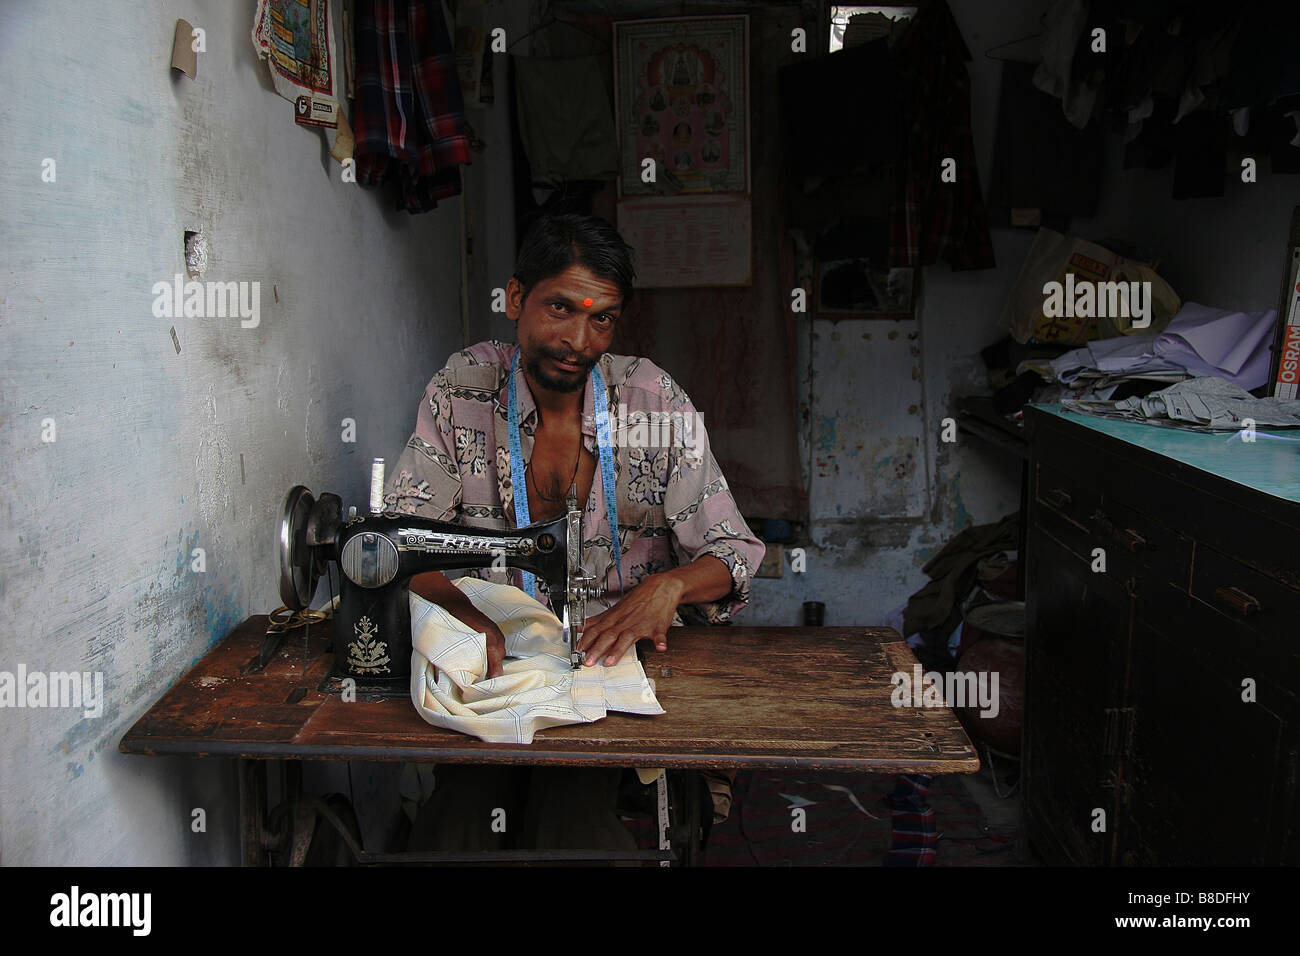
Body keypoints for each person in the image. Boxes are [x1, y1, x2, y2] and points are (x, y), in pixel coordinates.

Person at [384, 213, 764, 853]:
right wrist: (459, 612)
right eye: (560, 308)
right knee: (458, 824)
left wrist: (666, 589)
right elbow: (400, 539)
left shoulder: (651, 401)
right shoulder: (464, 390)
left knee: (571, 812)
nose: (578, 339)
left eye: (602, 318)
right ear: (514, 300)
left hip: (616, 661)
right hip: (495, 661)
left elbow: (735, 552)